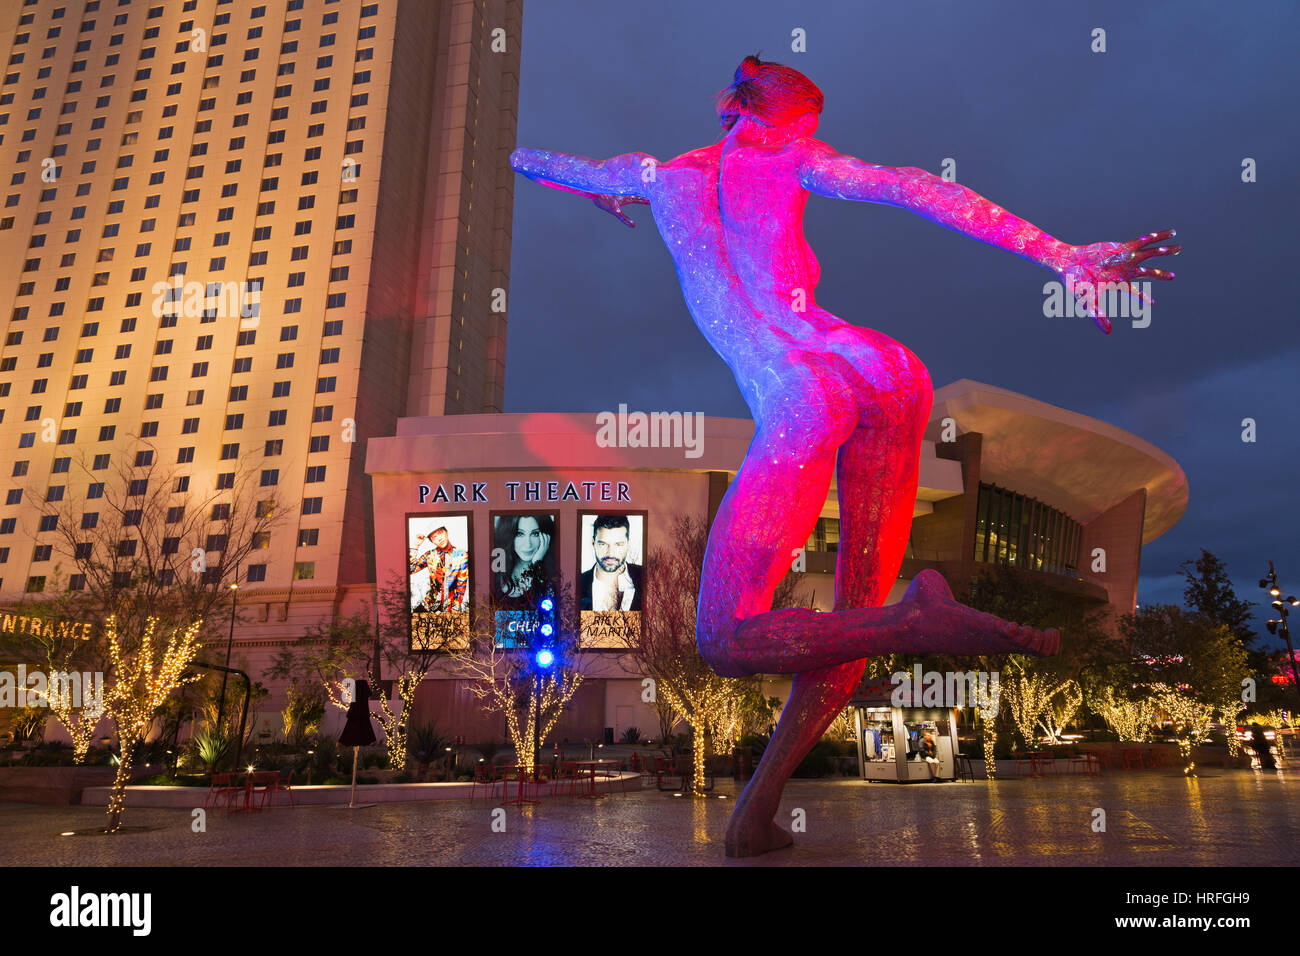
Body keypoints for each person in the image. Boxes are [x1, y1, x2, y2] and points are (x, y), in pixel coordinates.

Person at [511, 55, 1177, 857]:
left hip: (801, 396)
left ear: (731, 109)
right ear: (787, 122)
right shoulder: (794, 159)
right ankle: (758, 815)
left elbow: (541, 162)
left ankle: (907, 626)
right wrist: (1056, 253)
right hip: (883, 372)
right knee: (845, 626)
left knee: (727, 638)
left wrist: (585, 185)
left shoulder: (659, 177)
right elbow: (915, 187)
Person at [579, 515, 642, 611]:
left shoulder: (647, 577)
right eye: (603, 544)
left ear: (628, 544)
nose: (610, 553)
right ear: (593, 543)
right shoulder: (577, 584)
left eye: (618, 544)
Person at [493, 514, 556, 603]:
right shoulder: (496, 569)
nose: (528, 544)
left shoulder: (553, 573)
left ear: (546, 537)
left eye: (535, 534)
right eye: (519, 534)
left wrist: (537, 564)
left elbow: (549, 608)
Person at [409, 525, 469, 613]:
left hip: (451, 608)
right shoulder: (429, 555)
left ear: (447, 533)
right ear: (432, 541)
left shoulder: (461, 555)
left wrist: (456, 607)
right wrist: (415, 545)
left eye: (440, 533)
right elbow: (410, 570)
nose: (439, 539)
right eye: (434, 537)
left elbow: (461, 583)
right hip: (428, 605)